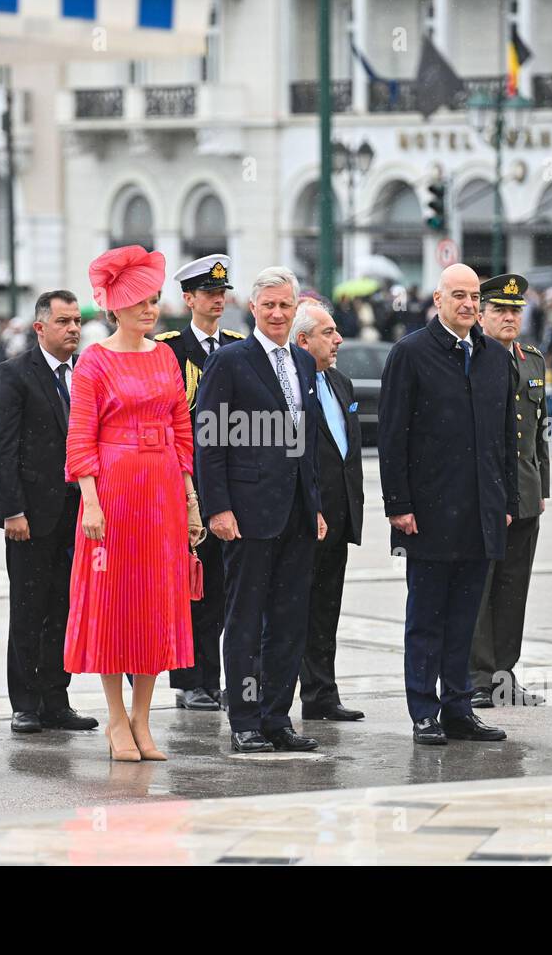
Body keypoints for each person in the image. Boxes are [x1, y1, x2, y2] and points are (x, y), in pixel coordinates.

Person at [63, 245, 205, 761]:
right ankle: (115, 718)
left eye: (154, 300)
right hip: (114, 494)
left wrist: (189, 499)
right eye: (141, 301)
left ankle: (144, 719)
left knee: (154, 604)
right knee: (111, 603)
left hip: (162, 491)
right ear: (116, 307)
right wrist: (92, 503)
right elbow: (80, 439)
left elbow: (182, 429)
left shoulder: (166, 355)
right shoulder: (95, 362)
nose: (152, 309)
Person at [379, 263, 516, 746]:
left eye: (475, 297)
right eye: (458, 295)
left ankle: (459, 707)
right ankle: (424, 710)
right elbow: (393, 436)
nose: (468, 304)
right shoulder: (411, 353)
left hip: (481, 512)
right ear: (437, 300)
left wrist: (506, 501)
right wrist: (398, 503)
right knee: (426, 617)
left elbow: (505, 439)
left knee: (465, 617)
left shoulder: (494, 358)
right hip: (429, 513)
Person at [195, 266, 327, 754]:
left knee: (290, 620)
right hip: (247, 513)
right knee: (246, 618)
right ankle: (245, 720)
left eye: (285, 306)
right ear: (253, 309)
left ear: (296, 311)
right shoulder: (231, 361)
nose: (276, 313)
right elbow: (209, 441)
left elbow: (306, 441)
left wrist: (313, 505)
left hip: (295, 512)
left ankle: (277, 718)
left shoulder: (304, 361)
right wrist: (218, 508)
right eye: (268, 305)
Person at [0, 290, 99, 736]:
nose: (73, 329)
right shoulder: (14, 375)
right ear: (40, 328)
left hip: (78, 514)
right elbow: (2, 448)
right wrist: (13, 509)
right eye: (63, 321)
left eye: (76, 321)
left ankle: (57, 699)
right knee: (29, 609)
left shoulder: (85, 373)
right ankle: (25, 703)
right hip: (30, 517)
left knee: (66, 609)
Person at [155, 254, 246, 712]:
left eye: (221, 293)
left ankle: (216, 677)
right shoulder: (168, 350)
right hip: (183, 483)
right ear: (188, 299)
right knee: (190, 585)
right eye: (208, 294)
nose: (218, 301)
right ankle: (190, 679)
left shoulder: (237, 345)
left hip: (229, 482)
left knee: (227, 586)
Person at [469, 274, 548, 709]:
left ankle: (503, 673)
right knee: (482, 586)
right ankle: (477, 676)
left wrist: (542, 489)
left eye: (515, 310)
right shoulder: (473, 359)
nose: (509, 318)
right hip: (487, 495)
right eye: (499, 310)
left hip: (525, 492)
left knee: (514, 587)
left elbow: (539, 436)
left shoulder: (533, 359)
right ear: (481, 315)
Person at [292, 301, 366, 722]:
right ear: (303, 341)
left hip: (340, 519)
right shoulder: (289, 387)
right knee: (288, 611)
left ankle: (321, 696)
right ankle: (265, 694)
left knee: (326, 608)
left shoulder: (341, 383)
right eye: (328, 333)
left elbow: (347, 455)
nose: (338, 339)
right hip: (305, 518)